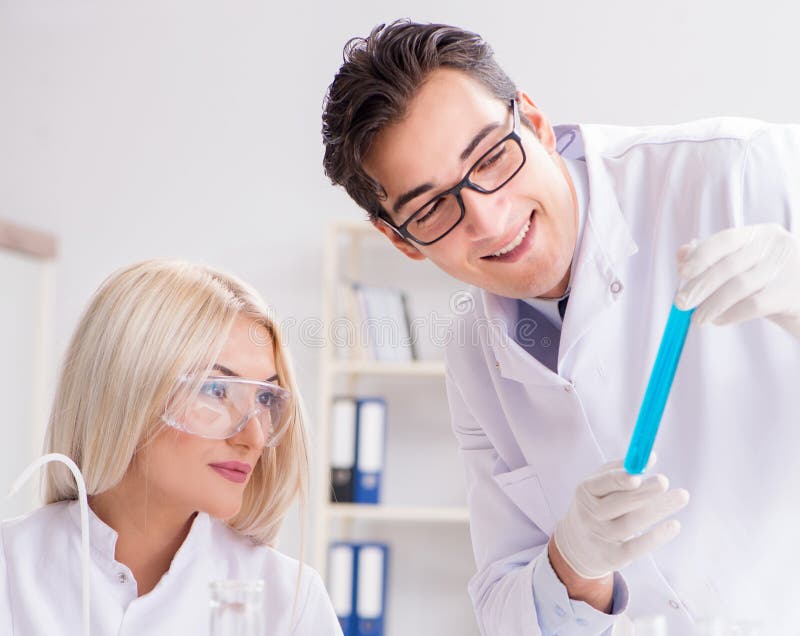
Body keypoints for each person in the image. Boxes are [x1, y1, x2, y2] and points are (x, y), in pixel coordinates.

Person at [321, 20, 800, 635]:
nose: (489, 220)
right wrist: (574, 566)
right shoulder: (474, 356)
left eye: (492, 156)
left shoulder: (741, 172)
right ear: (400, 240)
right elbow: (503, 611)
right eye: (433, 206)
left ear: (536, 122)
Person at [0, 259, 342, 635]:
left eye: (264, 399)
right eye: (216, 390)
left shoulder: (289, 600)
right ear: (126, 392)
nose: (255, 438)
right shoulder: (10, 569)